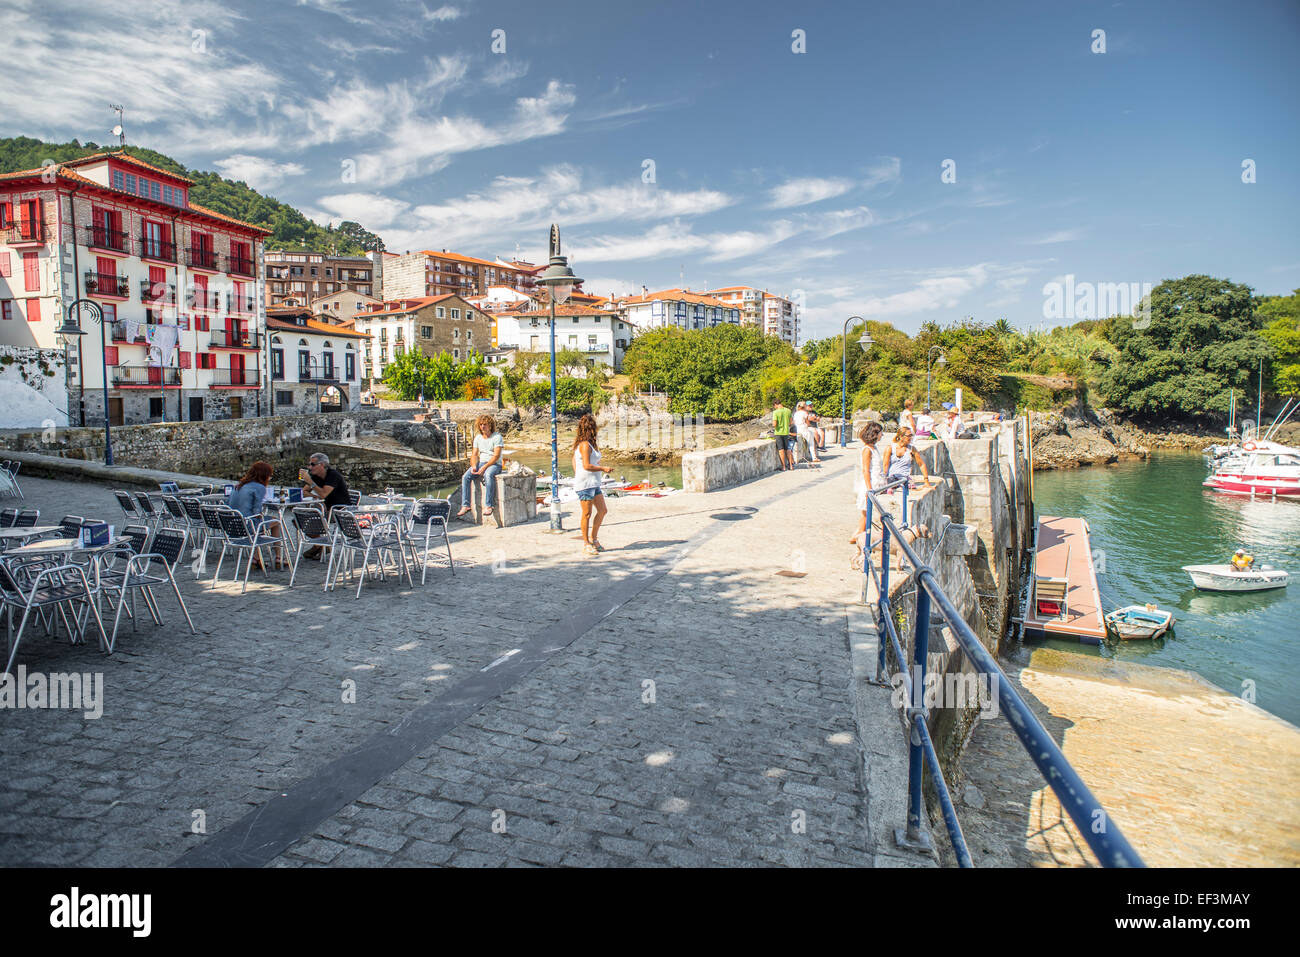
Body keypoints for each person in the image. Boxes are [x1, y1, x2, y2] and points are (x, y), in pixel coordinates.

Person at [227, 460, 283, 569]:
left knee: (257, 524)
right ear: (265, 475)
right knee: (276, 522)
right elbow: (257, 512)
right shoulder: (259, 487)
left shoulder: (238, 486)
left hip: (232, 525)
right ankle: (278, 557)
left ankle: (256, 559)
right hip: (247, 525)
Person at [572, 413, 614, 556]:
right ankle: (586, 543)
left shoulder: (590, 444)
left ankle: (594, 538)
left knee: (602, 511)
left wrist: (596, 466)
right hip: (585, 484)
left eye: (593, 428)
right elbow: (586, 465)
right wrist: (603, 469)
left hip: (593, 483)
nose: (593, 431)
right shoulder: (584, 445)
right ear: (586, 429)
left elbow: (576, 461)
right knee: (587, 514)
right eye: (591, 428)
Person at [849, 421, 886, 567]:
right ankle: (859, 537)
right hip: (870, 485)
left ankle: (858, 536)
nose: (882, 435)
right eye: (880, 432)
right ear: (875, 434)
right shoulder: (867, 450)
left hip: (876, 483)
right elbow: (866, 470)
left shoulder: (873, 448)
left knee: (865, 514)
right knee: (866, 513)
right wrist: (869, 488)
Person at [300, 452, 349, 559]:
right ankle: (321, 544)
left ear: (321, 465)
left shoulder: (333, 475)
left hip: (339, 511)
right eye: (309, 464)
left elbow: (323, 493)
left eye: (312, 464)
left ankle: (321, 545)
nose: (309, 467)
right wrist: (316, 497)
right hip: (325, 510)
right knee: (298, 520)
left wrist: (310, 482)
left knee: (307, 520)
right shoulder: (316, 476)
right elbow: (304, 492)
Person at [456, 414, 505, 520]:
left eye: (485, 424)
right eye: (481, 424)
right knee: (466, 477)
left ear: (490, 425)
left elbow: (496, 456)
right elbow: (474, 454)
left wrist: (485, 466)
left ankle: (489, 505)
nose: (483, 427)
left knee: (488, 474)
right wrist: (474, 466)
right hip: (481, 462)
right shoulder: (478, 438)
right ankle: (466, 505)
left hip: (494, 464)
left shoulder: (497, 437)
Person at [883, 426, 933, 491]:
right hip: (892, 478)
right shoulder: (890, 448)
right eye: (908, 436)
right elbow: (885, 466)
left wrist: (926, 481)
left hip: (905, 479)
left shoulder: (912, 449)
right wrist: (883, 481)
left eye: (911, 435)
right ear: (901, 436)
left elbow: (921, 464)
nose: (910, 438)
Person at [793, 401, 822, 466]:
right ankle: (814, 457)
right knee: (811, 443)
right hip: (804, 429)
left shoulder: (796, 413)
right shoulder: (805, 413)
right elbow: (808, 423)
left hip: (797, 429)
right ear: (804, 406)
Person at [772, 400, 794, 472]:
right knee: (787, 449)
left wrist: (774, 425)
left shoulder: (775, 412)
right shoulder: (788, 410)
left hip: (778, 433)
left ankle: (783, 467)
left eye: (774, 406)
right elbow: (791, 422)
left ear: (775, 404)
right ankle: (790, 465)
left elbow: (774, 424)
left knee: (781, 449)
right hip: (786, 432)